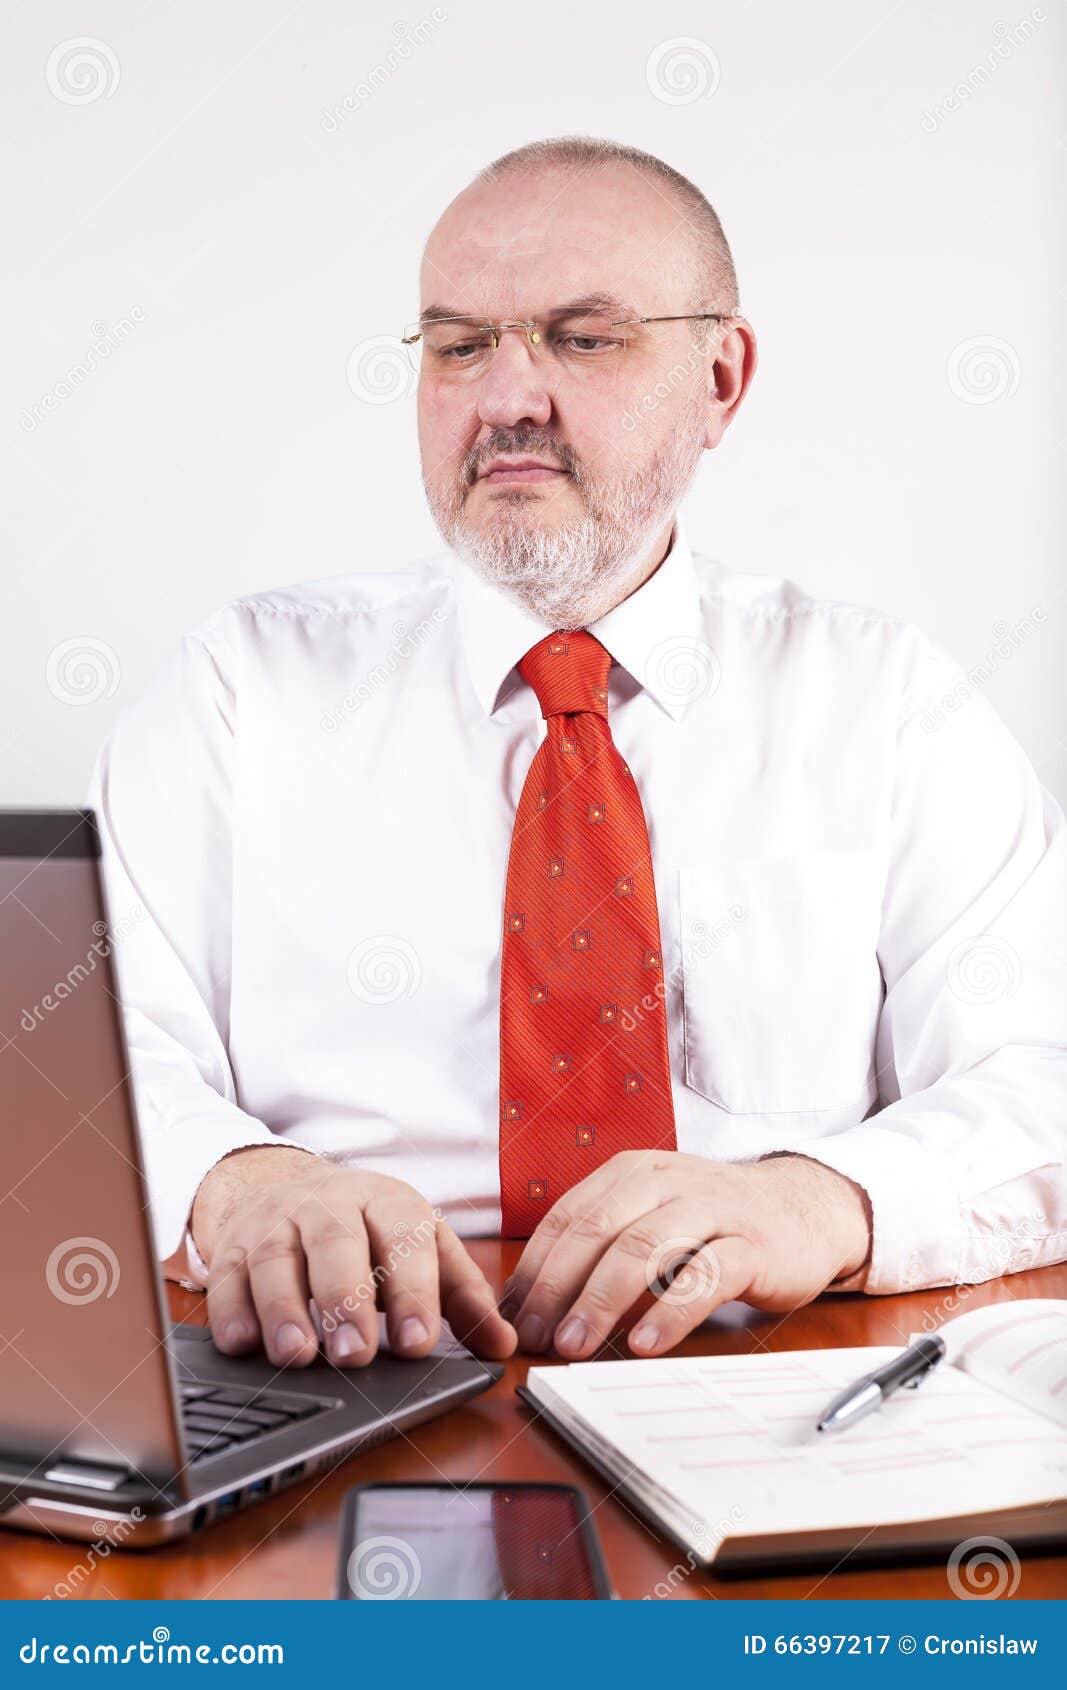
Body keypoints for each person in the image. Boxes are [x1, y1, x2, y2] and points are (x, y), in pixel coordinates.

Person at [87, 135, 1067, 1374]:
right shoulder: (242, 687)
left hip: (774, 1377)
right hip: (341, 1364)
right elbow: (74, 1062)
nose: (505, 399)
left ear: (721, 378)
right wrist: (232, 1181)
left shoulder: (883, 701)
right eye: (456, 345)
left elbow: (1041, 1069)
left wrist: (819, 1200)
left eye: (581, 337)